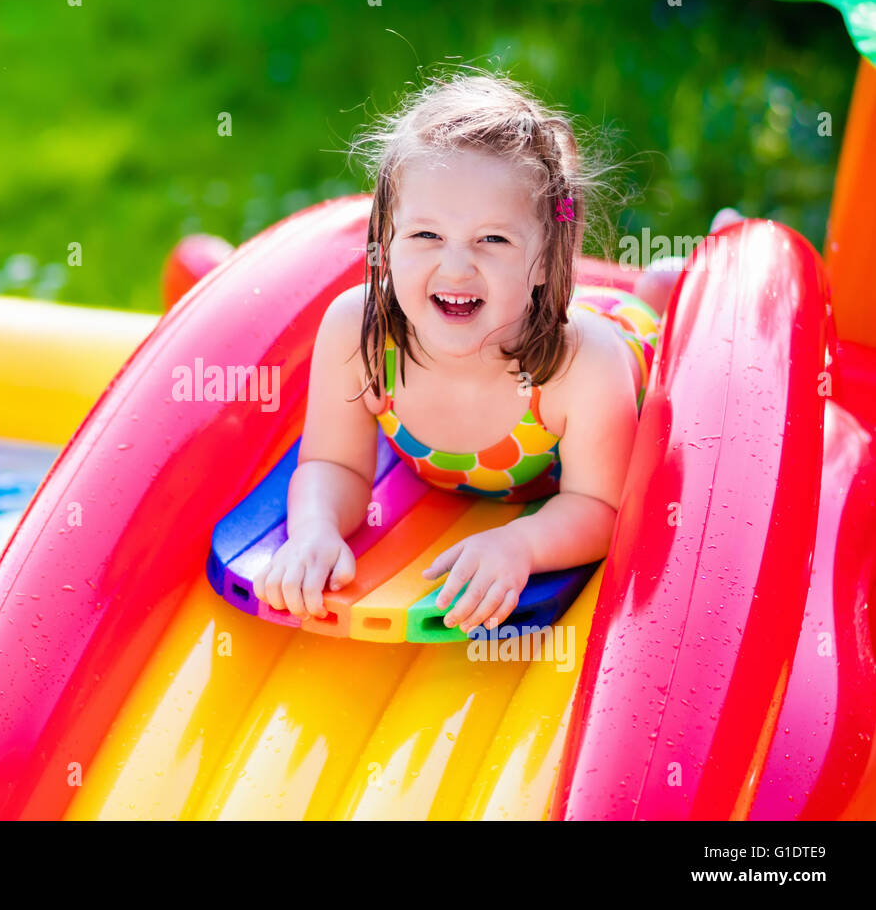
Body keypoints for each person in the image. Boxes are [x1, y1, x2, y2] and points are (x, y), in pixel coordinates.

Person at [256, 71, 739, 633]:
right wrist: (315, 529)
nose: (456, 266)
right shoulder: (358, 332)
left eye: (493, 239)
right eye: (425, 236)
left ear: (543, 259)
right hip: (527, 307)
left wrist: (521, 545)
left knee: (676, 321)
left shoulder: (580, 367)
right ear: (385, 242)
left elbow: (602, 508)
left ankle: (697, 268)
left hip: (624, 343)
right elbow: (332, 463)